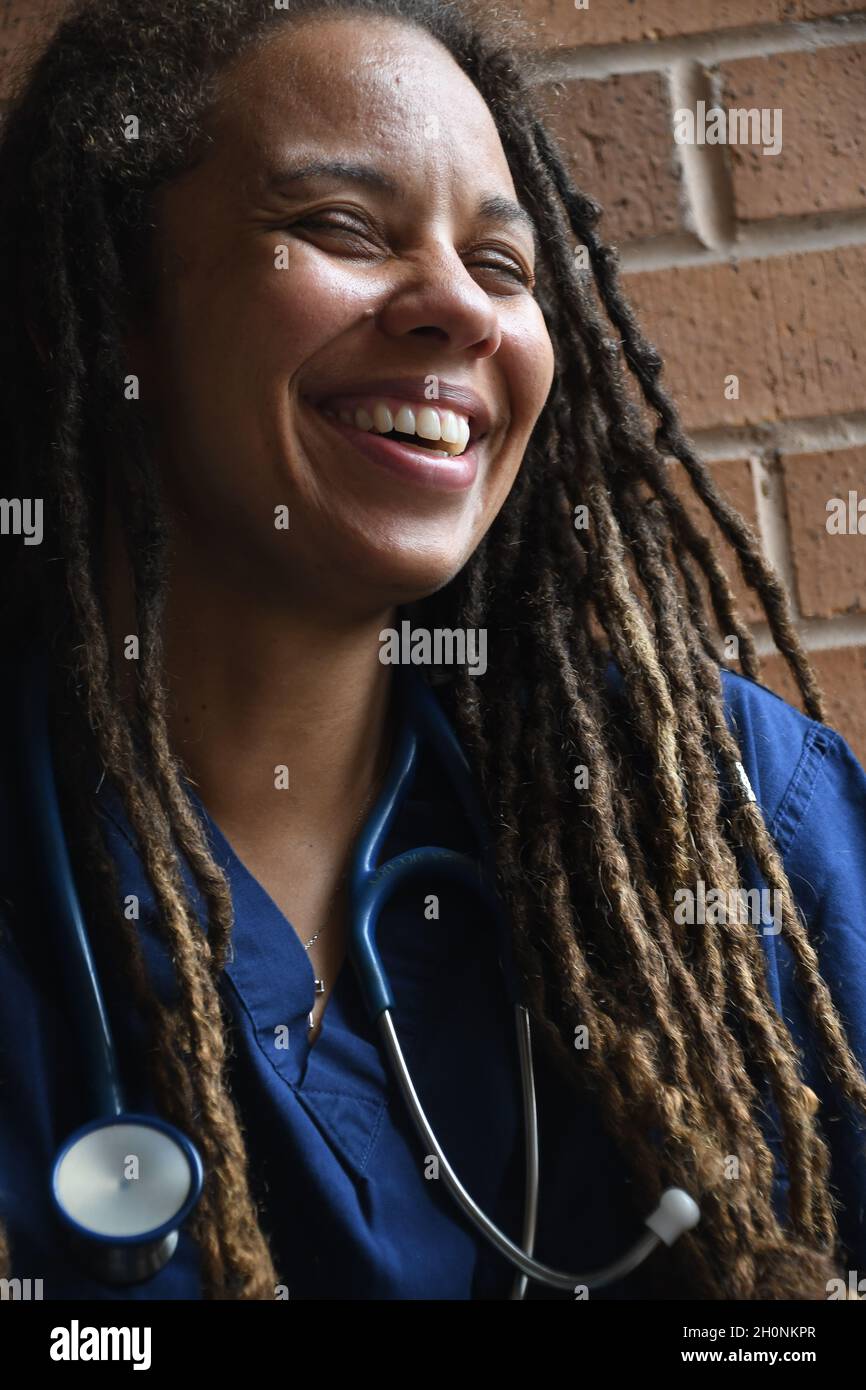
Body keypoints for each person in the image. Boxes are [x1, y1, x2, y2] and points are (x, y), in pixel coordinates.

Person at [0, 0, 865, 1302]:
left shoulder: (728, 806)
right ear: (117, 303)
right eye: (342, 228)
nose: (459, 309)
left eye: (505, 267)